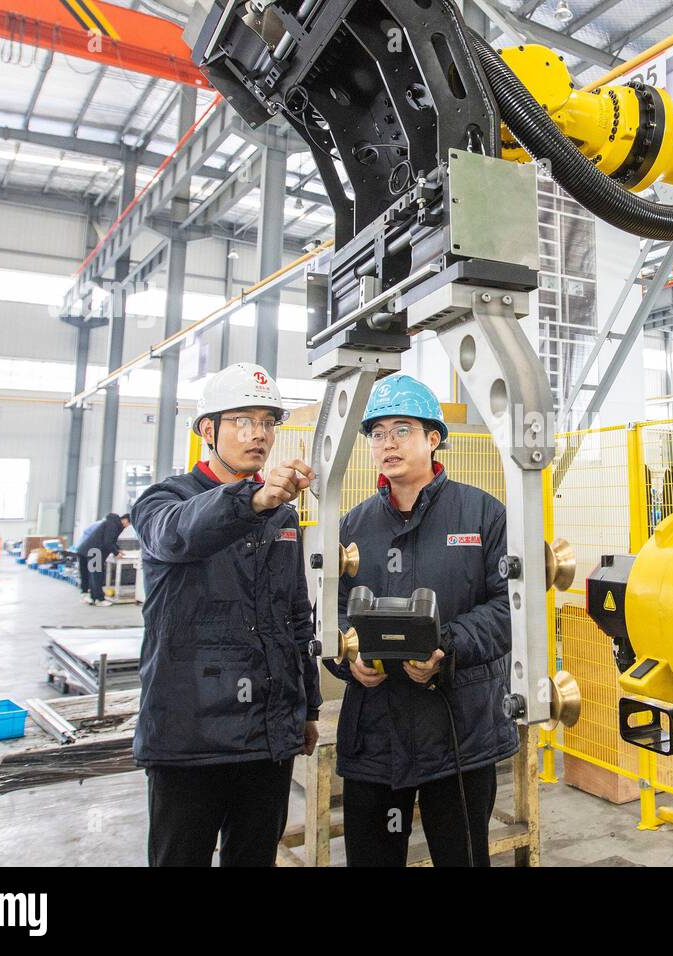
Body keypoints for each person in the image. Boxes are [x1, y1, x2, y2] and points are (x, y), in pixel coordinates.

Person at [130, 363, 321, 867]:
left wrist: (307, 707)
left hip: (267, 739)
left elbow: (295, 616)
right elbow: (177, 535)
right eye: (242, 420)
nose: (259, 434)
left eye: (268, 422)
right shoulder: (163, 501)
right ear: (208, 430)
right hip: (190, 739)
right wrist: (251, 500)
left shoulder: (282, 515)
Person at [325, 373, 515, 867]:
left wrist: (446, 647)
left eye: (402, 430)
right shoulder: (352, 526)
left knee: (462, 857)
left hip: (457, 734)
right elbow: (331, 611)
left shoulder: (483, 515)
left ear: (433, 439)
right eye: (378, 433)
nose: (387, 443)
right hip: (375, 735)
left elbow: (509, 609)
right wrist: (348, 658)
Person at [76, 512, 129, 606]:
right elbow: (108, 542)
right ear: (124, 520)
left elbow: (110, 541)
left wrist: (118, 549)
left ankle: (88, 596)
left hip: (85, 550)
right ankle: (98, 599)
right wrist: (116, 553)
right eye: (128, 523)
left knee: (88, 575)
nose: (127, 526)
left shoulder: (111, 523)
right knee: (96, 575)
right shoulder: (113, 525)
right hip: (94, 551)